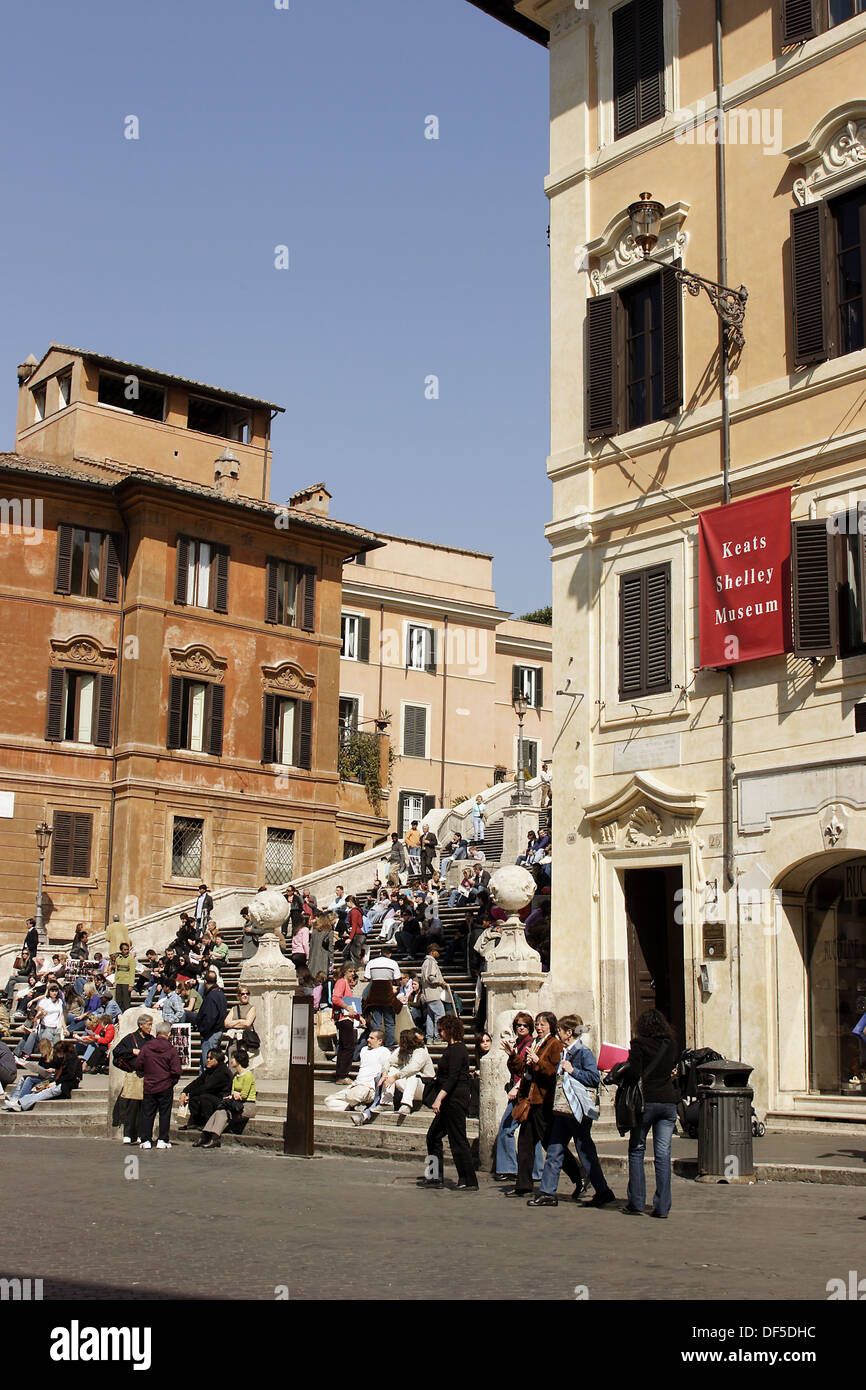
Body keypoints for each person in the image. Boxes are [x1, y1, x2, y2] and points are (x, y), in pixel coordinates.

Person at [527, 1015, 614, 1208]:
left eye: (560, 1030)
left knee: (585, 1150)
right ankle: (548, 1192)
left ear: (569, 1033)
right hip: (562, 1109)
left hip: (577, 1110)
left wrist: (573, 1071)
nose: (557, 1033)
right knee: (554, 1149)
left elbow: (593, 1078)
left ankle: (603, 1190)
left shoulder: (583, 1053)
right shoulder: (565, 1052)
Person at [506, 1011, 585, 1199]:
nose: (539, 1028)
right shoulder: (535, 1043)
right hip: (530, 1100)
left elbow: (553, 1072)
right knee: (525, 1142)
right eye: (538, 1024)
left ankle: (579, 1176)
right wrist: (513, 1056)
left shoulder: (554, 1044)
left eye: (543, 1024)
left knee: (551, 1143)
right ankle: (523, 1185)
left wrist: (538, 1061)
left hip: (544, 1101)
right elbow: (525, 1069)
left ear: (550, 1026)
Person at [619, 1009, 679, 1218]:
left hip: (646, 1103)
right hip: (668, 1103)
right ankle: (662, 1207)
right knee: (663, 1155)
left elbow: (635, 1072)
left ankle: (636, 1202)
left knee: (637, 1149)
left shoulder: (639, 1044)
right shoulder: (670, 1044)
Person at [424, 1015, 477, 1190]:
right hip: (449, 1097)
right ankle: (434, 1176)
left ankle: (468, 1180)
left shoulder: (458, 1049)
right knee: (433, 1135)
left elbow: (454, 1077)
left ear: (450, 1030)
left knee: (458, 1139)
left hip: (454, 1098)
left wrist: (438, 1098)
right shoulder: (451, 1048)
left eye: (441, 1030)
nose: (439, 1033)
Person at [493, 1012, 544, 1183]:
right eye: (518, 1025)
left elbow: (527, 1071)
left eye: (525, 1025)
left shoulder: (530, 1044)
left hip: (523, 1093)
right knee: (531, 1134)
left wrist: (515, 1087)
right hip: (520, 1092)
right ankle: (536, 1171)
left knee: (507, 1129)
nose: (521, 1028)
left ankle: (510, 1168)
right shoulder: (518, 1044)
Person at [357, 1028, 435, 1125]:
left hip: (425, 1087)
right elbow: (388, 1061)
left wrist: (395, 1077)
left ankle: (406, 1105)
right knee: (392, 1070)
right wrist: (385, 1073)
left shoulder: (421, 1051)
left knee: (413, 1075)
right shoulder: (401, 1049)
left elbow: (413, 1068)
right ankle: (386, 1103)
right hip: (409, 1086)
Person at [132, 1020, 182, 1149]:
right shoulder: (171, 1049)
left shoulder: (147, 1047)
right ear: (168, 1034)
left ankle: (146, 1139)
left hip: (149, 1084)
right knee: (165, 1113)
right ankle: (163, 1139)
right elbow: (176, 1070)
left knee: (147, 1113)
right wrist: (171, 1082)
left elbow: (138, 1064)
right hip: (165, 1085)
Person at [194, 1048, 257, 1148]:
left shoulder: (248, 1075)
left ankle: (214, 1138)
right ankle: (206, 1136)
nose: (231, 1060)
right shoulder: (236, 1075)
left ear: (239, 1060)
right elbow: (232, 1092)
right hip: (235, 1103)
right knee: (219, 1112)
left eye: (233, 1058)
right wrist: (233, 1095)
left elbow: (244, 1095)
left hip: (247, 1106)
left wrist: (235, 1095)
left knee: (223, 1113)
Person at [325, 1029, 390, 1114]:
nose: (368, 1040)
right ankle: (353, 1106)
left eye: (371, 1038)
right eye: (368, 1037)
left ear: (379, 1041)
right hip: (355, 1085)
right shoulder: (364, 1050)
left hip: (368, 1088)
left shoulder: (384, 1051)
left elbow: (386, 1068)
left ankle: (358, 1103)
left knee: (354, 1095)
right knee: (329, 1100)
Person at [111, 1013, 154, 1143]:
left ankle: (142, 1133)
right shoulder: (130, 1038)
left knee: (145, 1107)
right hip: (134, 1075)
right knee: (132, 1105)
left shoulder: (151, 1039)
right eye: (148, 1024)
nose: (150, 1027)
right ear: (141, 1025)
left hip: (147, 1076)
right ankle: (128, 1134)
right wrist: (132, 1051)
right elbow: (116, 1052)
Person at [12, 1040, 82, 1112]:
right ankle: (20, 1102)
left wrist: (55, 1082)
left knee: (44, 1093)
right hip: (61, 1083)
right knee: (40, 1092)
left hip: (65, 1084)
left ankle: (21, 1104)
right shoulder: (67, 1059)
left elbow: (69, 1075)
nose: (57, 1054)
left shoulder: (72, 1060)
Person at [179, 1049, 233, 1130]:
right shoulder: (210, 1070)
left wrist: (189, 1095)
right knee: (195, 1098)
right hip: (210, 1095)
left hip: (221, 1099)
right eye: (207, 1058)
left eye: (211, 1058)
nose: (207, 1060)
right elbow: (197, 1082)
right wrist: (185, 1092)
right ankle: (195, 1122)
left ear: (217, 1060)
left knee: (204, 1097)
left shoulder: (223, 1072)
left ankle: (207, 1123)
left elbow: (207, 1087)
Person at [187, 971, 228, 1072]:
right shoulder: (220, 994)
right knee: (208, 1061)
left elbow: (210, 1017)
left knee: (208, 1063)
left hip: (211, 1033)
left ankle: (207, 1084)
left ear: (205, 982)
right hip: (216, 1031)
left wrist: (203, 1029)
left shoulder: (212, 996)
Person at [363, 945, 401, 1048]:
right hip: (387, 995)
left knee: (376, 1022)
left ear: (380, 953)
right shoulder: (393, 963)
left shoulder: (371, 962)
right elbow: (397, 979)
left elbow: (366, 978)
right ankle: (389, 1045)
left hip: (375, 995)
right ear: (389, 955)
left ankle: (376, 1044)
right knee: (390, 1022)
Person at [332, 965, 362, 1083]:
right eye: (350, 971)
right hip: (343, 1018)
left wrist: (359, 1018)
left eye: (353, 971)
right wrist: (347, 1007)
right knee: (349, 1047)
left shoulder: (347, 985)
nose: (352, 973)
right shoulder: (341, 982)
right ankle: (343, 1075)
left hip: (347, 1018)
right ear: (344, 972)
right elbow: (336, 998)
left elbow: (351, 1004)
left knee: (344, 1047)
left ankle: (340, 1074)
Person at [419, 943, 447, 1042]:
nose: (439, 953)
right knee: (440, 1015)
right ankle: (437, 1037)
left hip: (428, 994)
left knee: (430, 1017)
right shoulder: (431, 962)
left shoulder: (425, 962)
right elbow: (430, 977)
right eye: (437, 951)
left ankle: (430, 1038)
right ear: (432, 952)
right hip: (433, 993)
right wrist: (440, 983)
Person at [223, 988, 258, 1064]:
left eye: (247, 994)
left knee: (244, 1064)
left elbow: (247, 1023)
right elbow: (226, 1023)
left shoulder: (251, 1008)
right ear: (238, 996)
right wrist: (240, 1021)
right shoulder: (234, 1008)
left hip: (246, 1040)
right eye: (242, 994)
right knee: (232, 1063)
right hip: (234, 1040)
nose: (245, 996)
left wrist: (234, 1023)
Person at [112, 942, 136, 1012]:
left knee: (126, 1002)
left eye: (127, 949)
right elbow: (117, 971)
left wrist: (131, 985)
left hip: (126, 982)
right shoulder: (118, 959)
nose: (126, 951)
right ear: (121, 950)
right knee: (119, 1001)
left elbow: (132, 973)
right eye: (124, 950)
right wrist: (115, 981)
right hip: (119, 982)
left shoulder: (131, 959)